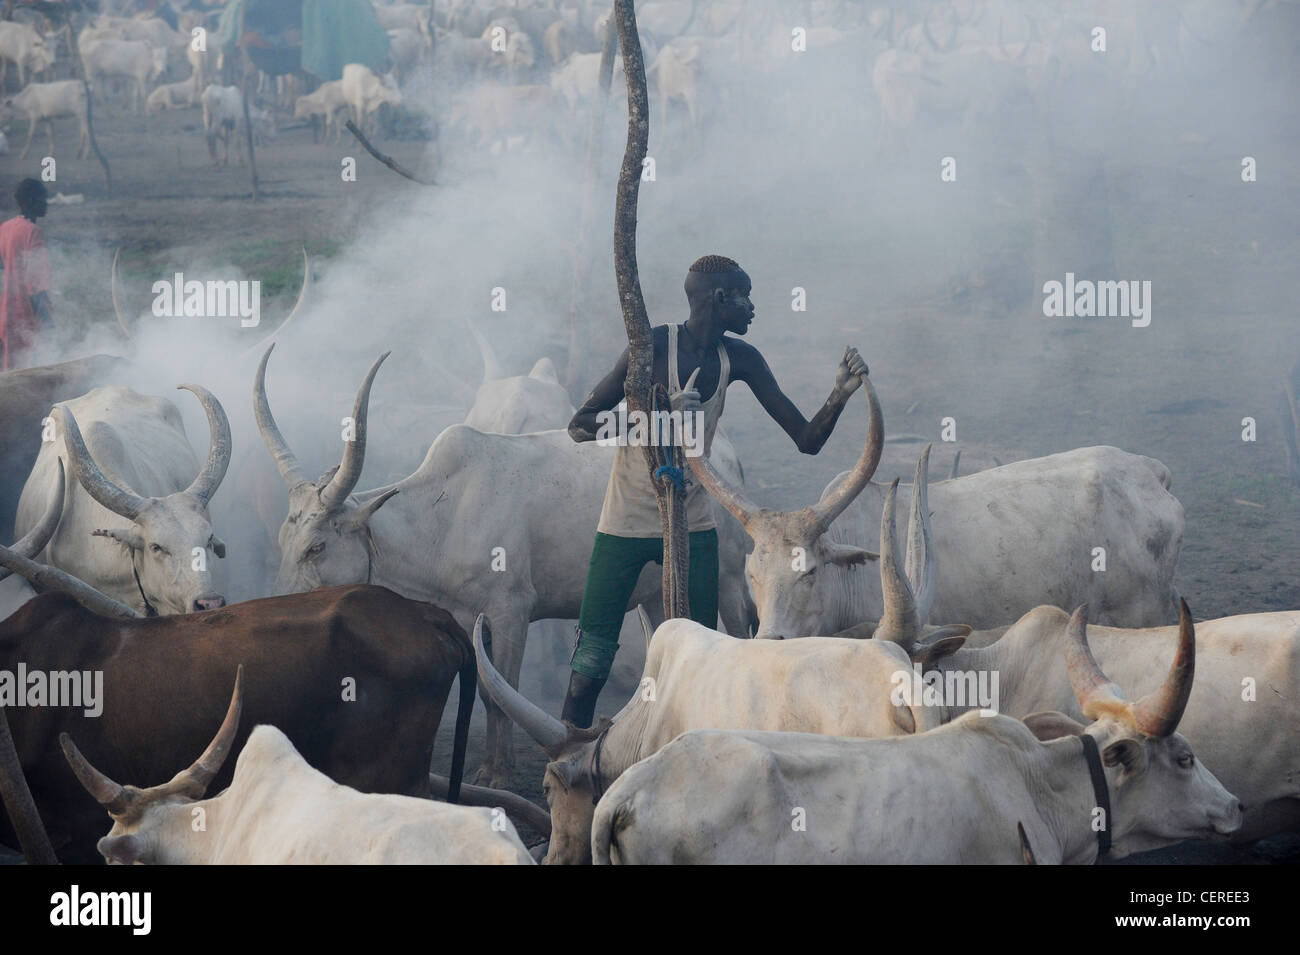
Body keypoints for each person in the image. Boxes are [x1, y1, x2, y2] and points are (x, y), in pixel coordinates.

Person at [563, 254, 869, 726]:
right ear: (720, 298)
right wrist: (659, 415)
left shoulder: (739, 359)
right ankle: (566, 763)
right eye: (745, 297)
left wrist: (839, 395)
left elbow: (806, 441)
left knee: (700, 659)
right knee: (591, 661)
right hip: (625, 519)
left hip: (694, 521)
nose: (752, 309)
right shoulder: (650, 348)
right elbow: (580, 425)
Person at [0, 178, 53, 372]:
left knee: (8, 376)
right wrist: (47, 323)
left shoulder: (5, 228)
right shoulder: (34, 232)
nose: (46, 203)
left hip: (6, 313)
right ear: (27, 202)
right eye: (41, 199)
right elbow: (37, 284)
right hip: (26, 316)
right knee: (31, 377)